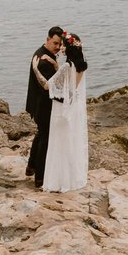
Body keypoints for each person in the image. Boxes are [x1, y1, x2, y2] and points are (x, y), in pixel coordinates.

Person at [43, 31, 89, 192]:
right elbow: (71, 86)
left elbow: (49, 86)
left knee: (59, 143)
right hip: (74, 108)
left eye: (63, 44)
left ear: (68, 47)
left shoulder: (66, 67)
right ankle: (71, 178)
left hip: (61, 110)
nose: (61, 47)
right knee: (70, 141)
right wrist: (57, 67)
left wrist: (36, 68)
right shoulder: (81, 66)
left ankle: (58, 181)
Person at [26, 26, 64, 188]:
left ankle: (31, 166)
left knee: (41, 134)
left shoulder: (44, 54)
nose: (57, 47)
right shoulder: (43, 62)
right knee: (45, 139)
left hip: (37, 103)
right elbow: (51, 87)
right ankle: (40, 177)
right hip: (43, 105)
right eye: (55, 43)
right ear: (47, 39)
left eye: (59, 44)